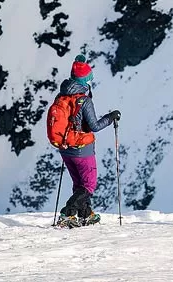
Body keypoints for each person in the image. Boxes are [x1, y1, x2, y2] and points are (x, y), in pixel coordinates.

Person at [54, 55, 120, 228]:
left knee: (79, 183)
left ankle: (85, 215)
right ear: (85, 80)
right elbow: (94, 126)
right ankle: (68, 213)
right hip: (82, 148)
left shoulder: (61, 96)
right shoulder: (84, 100)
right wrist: (110, 117)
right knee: (88, 186)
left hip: (65, 148)